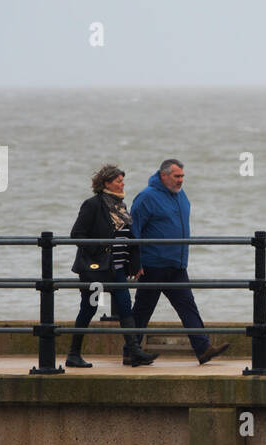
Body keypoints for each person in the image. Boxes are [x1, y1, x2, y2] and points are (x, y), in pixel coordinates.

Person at [130, 158, 229, 364]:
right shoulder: (146, 197)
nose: (180, 180)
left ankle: (203, 349)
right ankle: (130, 351)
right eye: (177, 176)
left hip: (176, 264)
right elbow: (134, 231)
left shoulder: (180, 195)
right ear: (163, 175)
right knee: (143, 309)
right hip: (153, 264)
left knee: (187, 306)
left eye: (183, 176)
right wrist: (135, 262)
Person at [67, 165, 158, 368]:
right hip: (95, 270)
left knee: (125, 308)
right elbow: (77, 234)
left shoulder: (121, 206)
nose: (122, 184)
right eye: (118, 181)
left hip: (116, 270)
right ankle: (73, 354)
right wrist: (101, 248)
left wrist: (136, 264)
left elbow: (130, 238)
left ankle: (134, 352)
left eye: (122, 180)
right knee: (89, 308)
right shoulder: (92, 205)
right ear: (106, 183)